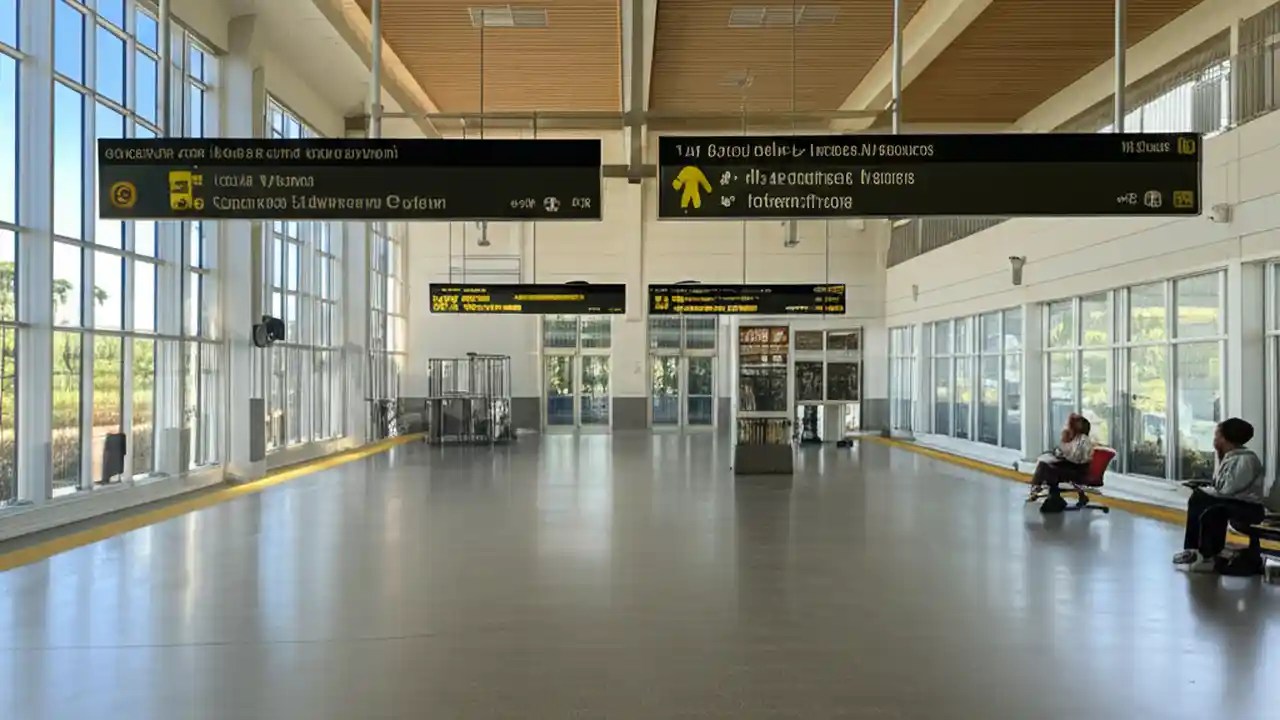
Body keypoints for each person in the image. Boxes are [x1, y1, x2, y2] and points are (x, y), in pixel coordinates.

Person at [1173, 418, 1267, 572]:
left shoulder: (1246, 460)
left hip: (1250, 508)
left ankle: (1198, 552)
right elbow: (1222, 487)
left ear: (1226, 439)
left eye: (1217, 436)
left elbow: (1228, 489)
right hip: (1235, 503)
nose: (1214, 439)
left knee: (1203, 500)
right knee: (1206, 503)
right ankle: (1200, 552)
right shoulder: (1231, 457)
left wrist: (1206, 491)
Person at [1027, 413, 1094, 511]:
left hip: (1078, 470)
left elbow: (1075, 458)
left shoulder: (1083, 439)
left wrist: (1062, 456)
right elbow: (1066, 452)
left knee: (1046, 467)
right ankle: (1044, 491)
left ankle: (1040, 489)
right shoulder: (1075, 438)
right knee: (1045, 462)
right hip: (1071, 465)